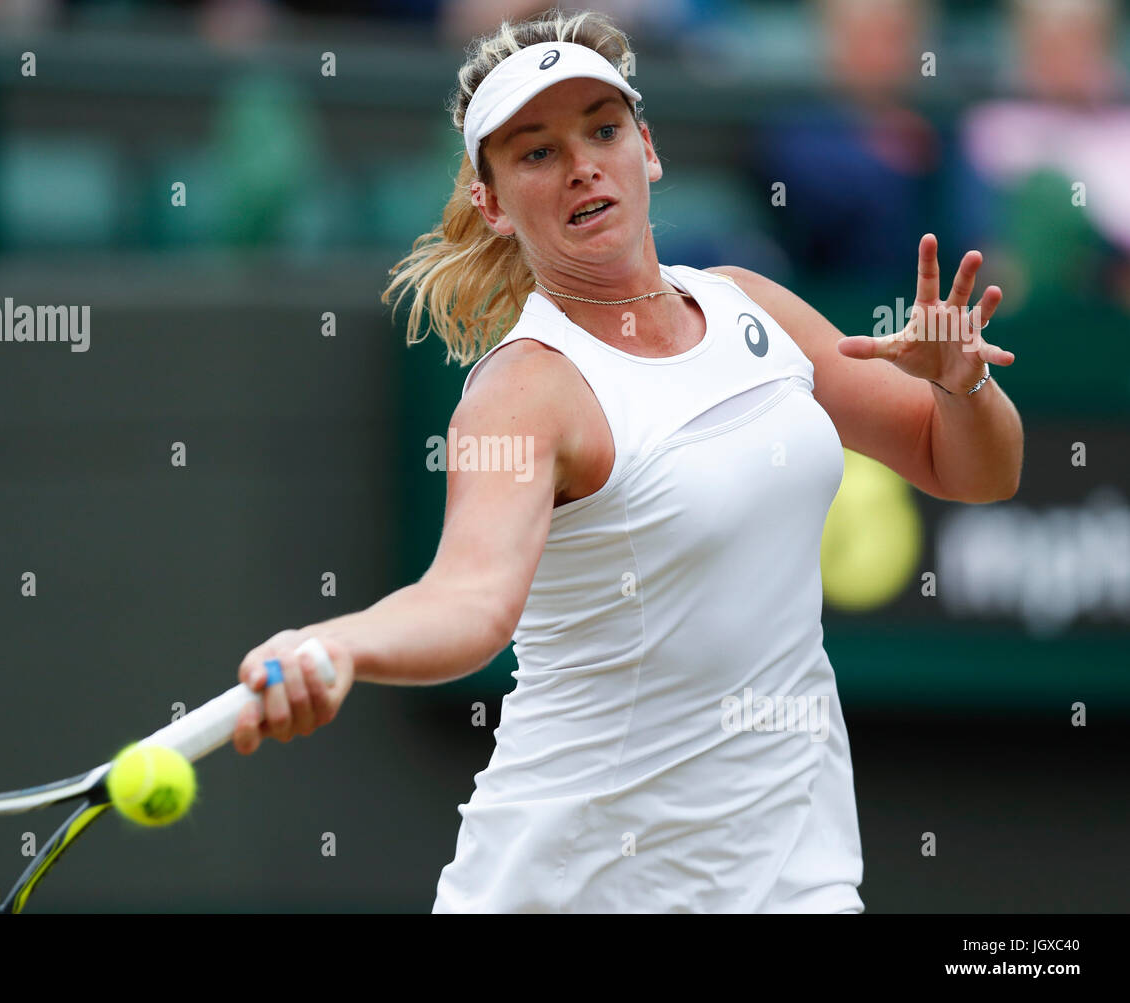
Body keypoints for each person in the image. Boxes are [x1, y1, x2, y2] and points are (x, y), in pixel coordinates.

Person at [228, 9, 1023, 912]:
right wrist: (338, 643)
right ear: (490, 202)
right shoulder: (526, 391)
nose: (580, 165)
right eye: (534, 152)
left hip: (796, 884)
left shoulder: (751, 308)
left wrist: (963, 390)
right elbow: (470, 599)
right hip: (569, 891)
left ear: (646, 148)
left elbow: (973, 471)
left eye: (602, 130)